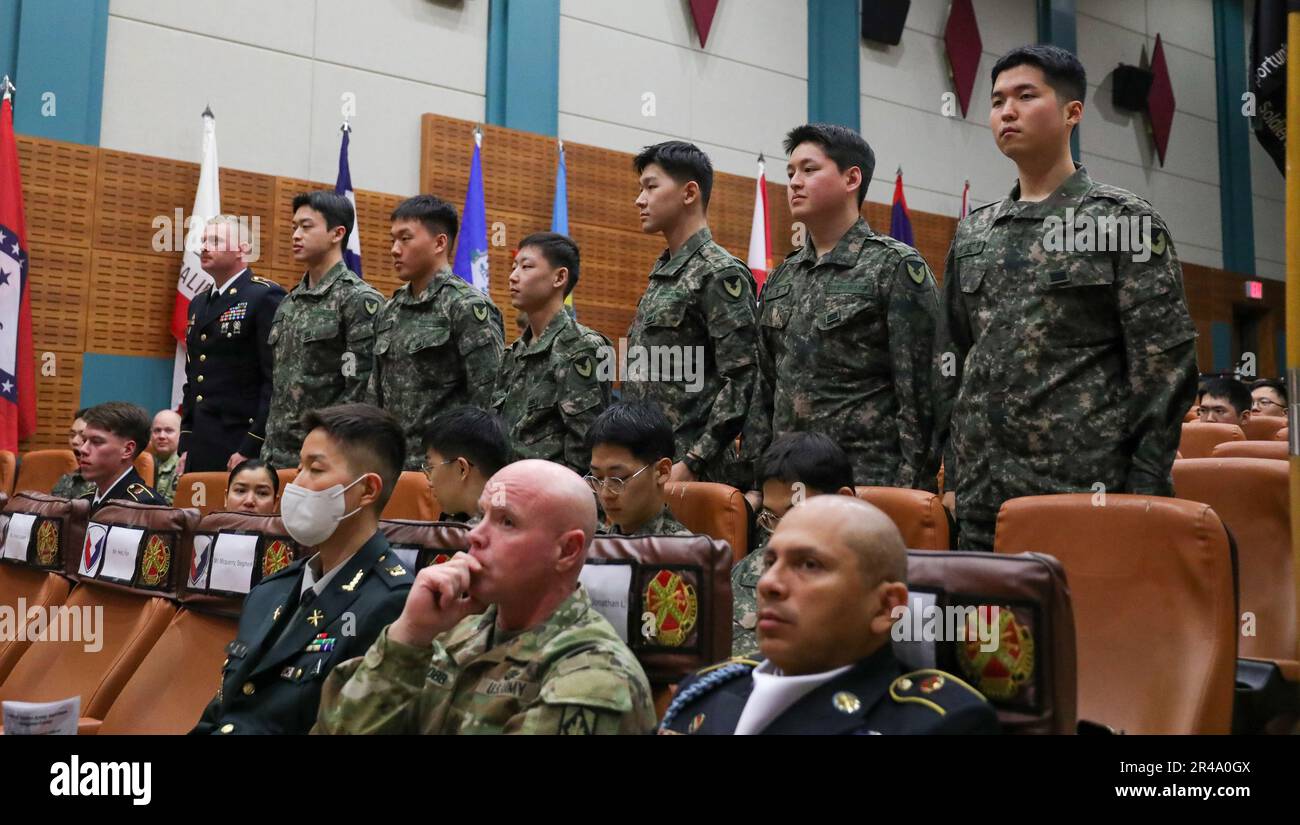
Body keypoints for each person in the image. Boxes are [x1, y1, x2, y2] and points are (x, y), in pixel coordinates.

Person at [936, 44, 1198, 550]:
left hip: (1085, 496)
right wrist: (950, 470)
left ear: (1072, 112)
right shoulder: (974, 233)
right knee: (988, 631)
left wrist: (1146, 491)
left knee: (1080, 630)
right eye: (996, 101)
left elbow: (1164, 368)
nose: (1006, 111)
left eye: (1025, 95)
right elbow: (951, 359)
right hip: (981, 502)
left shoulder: (1123, 223)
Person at [313, 459, 657, 735]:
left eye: (506, 522)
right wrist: (408, 635)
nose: (475, 535)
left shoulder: (593, 679)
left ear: (567, 551)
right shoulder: (451, 628)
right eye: (482, 516)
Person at [660, 496, 999, 734]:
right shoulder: (704, 688)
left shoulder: (940, 724)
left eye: (809, 565)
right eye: (770, 562)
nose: (768, 584)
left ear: (885, 607)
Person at [745, 123, 941, 507]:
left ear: (852, 178)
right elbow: (763, 390)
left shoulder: (894, 268)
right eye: (789, 173)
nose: (794, 183)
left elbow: (921, 395)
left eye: (809, 169)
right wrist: (755, 483)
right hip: (783, 492)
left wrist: (907, 491)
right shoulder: (783, 277)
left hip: (866, 485)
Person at [193, 404, 414, 735]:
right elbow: (220, 714)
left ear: (367, 490)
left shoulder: (391, 604)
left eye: (316, 469)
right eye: (299, 468)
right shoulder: (272, 590)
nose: (297, 483)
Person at [623, 141, 759, 488]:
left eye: (651, 186)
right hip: (646, 466)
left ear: (689, 193)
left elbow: (743, 379)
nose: (640, 200)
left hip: (693, 474)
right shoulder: (664, 274)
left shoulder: (719, 274)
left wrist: (694, 461)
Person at [369, 194, 503, 468]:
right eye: (393, 239)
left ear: (439, 242)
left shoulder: (467, 307)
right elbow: (375, 398)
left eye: (405, 238)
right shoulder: (390, 309)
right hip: (391, 466)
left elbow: (489, 401)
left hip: (445, 470)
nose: (395, 249)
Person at [262, 192, 382, 468]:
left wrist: (327, 442)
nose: (295, 234)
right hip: (275, 453)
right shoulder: (289, 303)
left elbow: (360, 389)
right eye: (294, 226)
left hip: (327, 455)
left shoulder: (358, 300)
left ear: (337, 233)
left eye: (306, 226)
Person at [731, 432, 856, 658]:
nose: (781, 534)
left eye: (796, 514)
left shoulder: (877, 587)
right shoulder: (746, 572)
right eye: (771, 516)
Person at [493, 232, 610, 473]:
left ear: (559, 277)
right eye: (514, 267)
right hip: (506, 492)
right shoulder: (513, 353)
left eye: (526, 267)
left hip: (554, 499)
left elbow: (587, 448)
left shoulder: (581, 348)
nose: (513, 277)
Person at [180, 215, 286, 473]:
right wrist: (185, 443)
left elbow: (273, 379)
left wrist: (251, 445)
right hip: (202, 439)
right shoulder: (198, 302)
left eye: (215, 240)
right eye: (203, 240)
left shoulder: (264, 295)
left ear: (243, 249)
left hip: (240, 439)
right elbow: (193, 379)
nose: (204, 246)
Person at [586, 402, 690, 537]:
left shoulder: (685, 552)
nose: (605, 494)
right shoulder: (594, 544)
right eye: (597, 478)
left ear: (662, 471)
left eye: (618, 478)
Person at [421, 406, 511, 524]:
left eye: (431, 467)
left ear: (462, 469)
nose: (430, 482)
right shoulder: (509, 517)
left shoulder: (498, 537)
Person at [75, 402, 166, 513]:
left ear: (127, 450)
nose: (83, 449)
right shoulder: (85, 501)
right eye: (84, 441)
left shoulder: (146, 507)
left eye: (96, 442)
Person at [51, 408, 94, 498]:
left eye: (83, 435)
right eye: (72, 435)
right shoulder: (67, 479)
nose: (74, 441)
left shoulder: (111, 484)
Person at [150, 409, 182, 504]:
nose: (162, 436)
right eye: (157, 430)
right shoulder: (144, 464)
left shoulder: (185, 467)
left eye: (169, 431)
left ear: (181, 434)